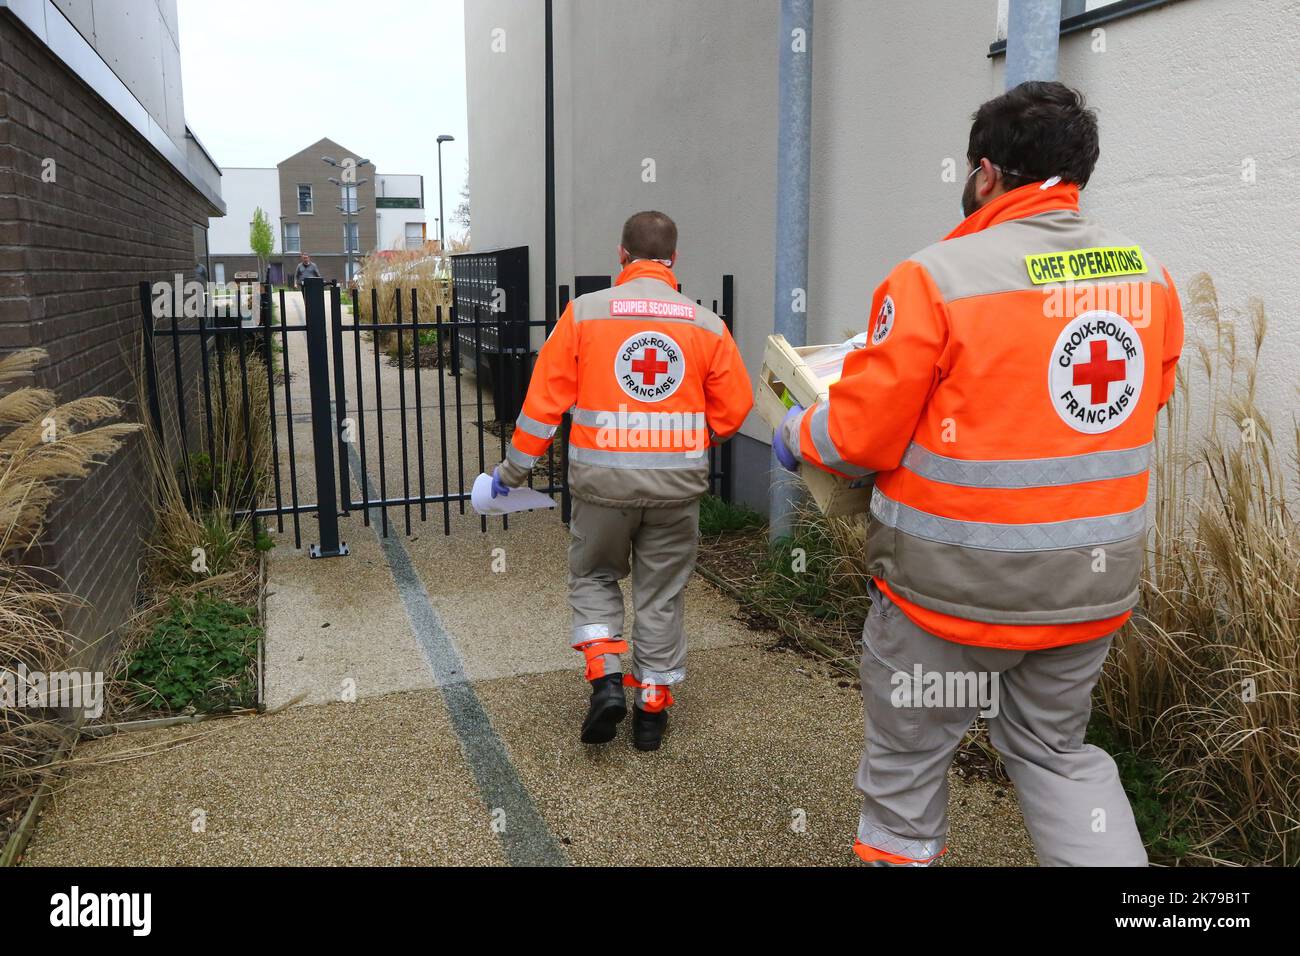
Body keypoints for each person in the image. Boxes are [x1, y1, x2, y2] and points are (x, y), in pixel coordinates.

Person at [774, 82, 1184, 866]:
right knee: (1057, 756)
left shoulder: (935, 280)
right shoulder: (1151, 279)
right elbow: (1136, 405)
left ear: (988, 174)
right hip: (1087, 591)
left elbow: (861, 436)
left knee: (906, 772)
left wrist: (799, 433)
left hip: (946, 600)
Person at [492, 211, 753, 751]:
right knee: (661, 596)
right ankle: (651, 713)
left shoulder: (585, 315)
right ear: (674, 261)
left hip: (601, 488)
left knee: (594, 578)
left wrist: (512, 472)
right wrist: (684, 437)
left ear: (621, 256)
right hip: (676, 492)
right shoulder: (705, 326)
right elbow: (734, 411)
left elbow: (544, 404)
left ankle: (606, 677)